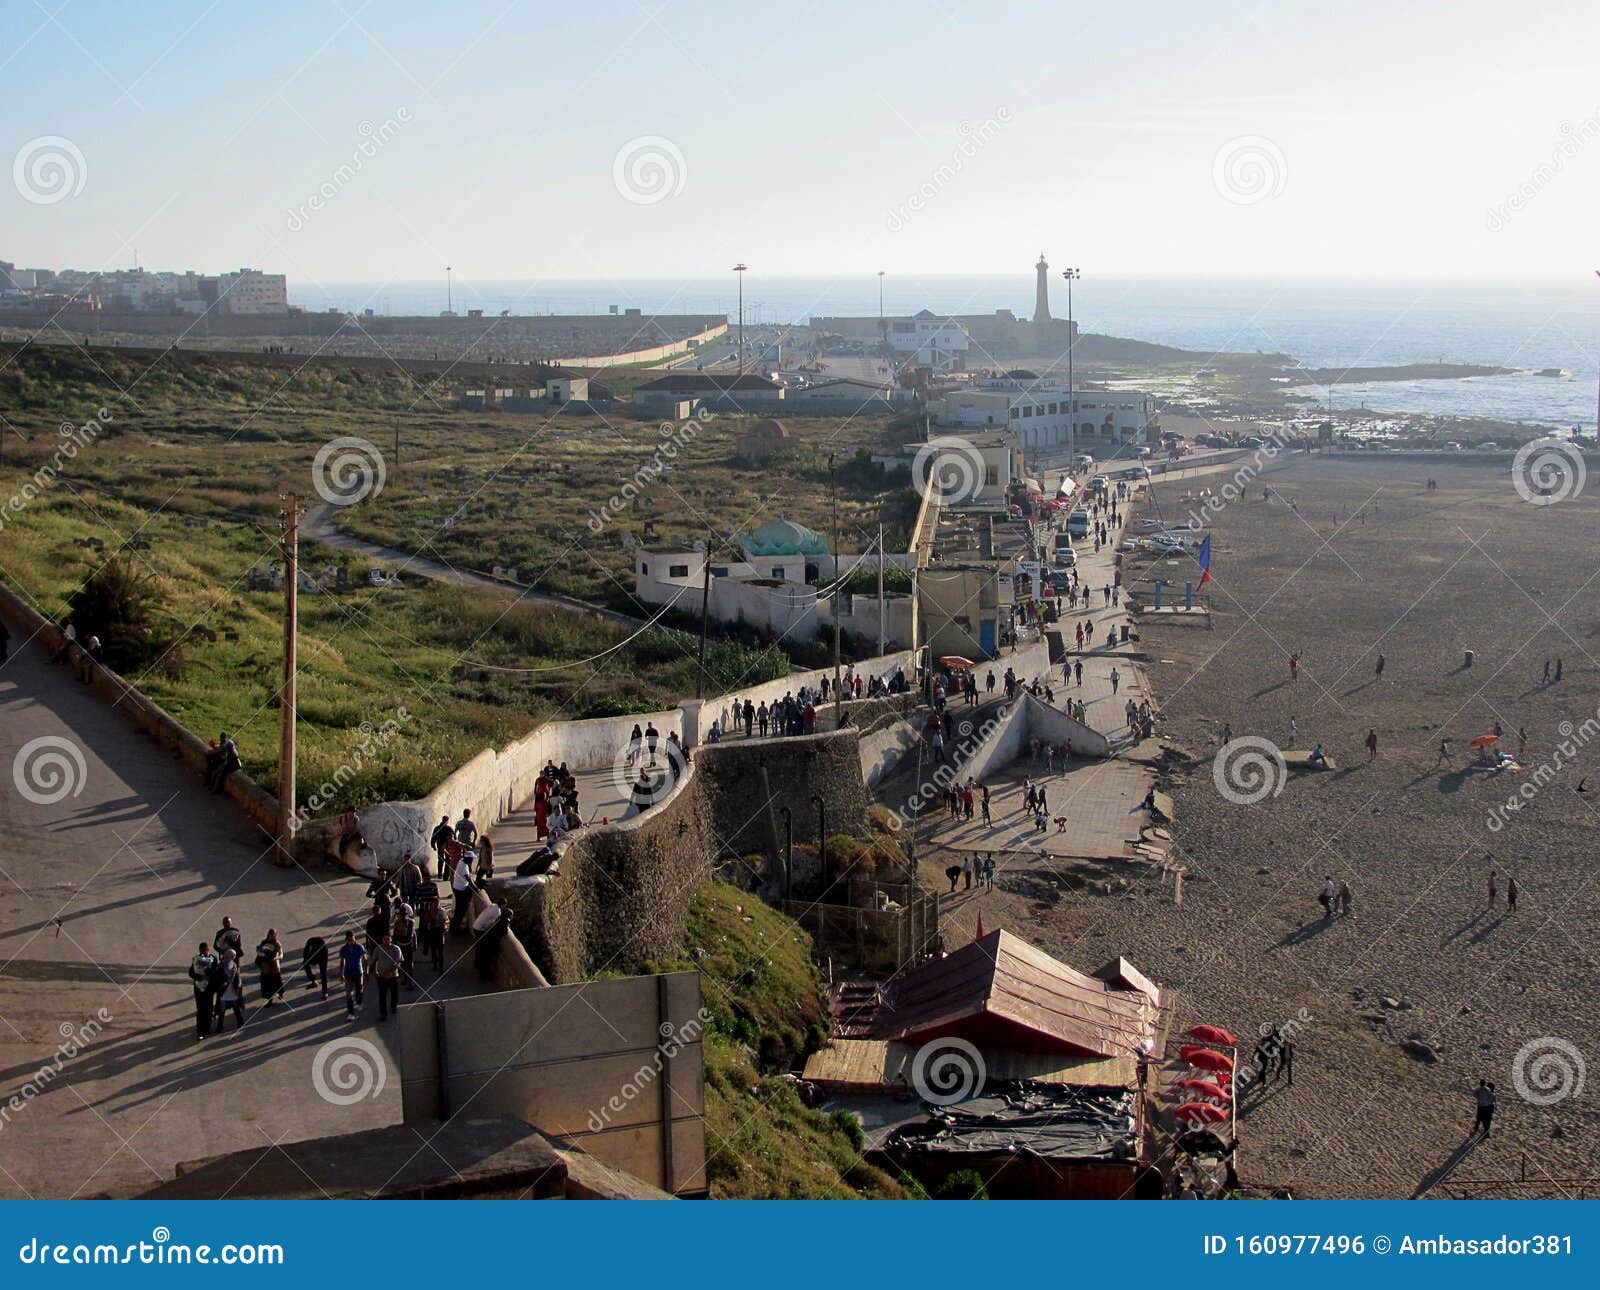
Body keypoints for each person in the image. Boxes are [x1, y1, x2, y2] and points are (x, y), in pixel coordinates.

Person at [370, 932, 403, 1021]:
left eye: (388, 939)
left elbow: (397, 962)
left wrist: (391, 972)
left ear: (391, 939)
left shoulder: (396, 949)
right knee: (382, 996)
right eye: (385, 939)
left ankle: (394, 1006)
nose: (386, 941)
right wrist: (375, 972)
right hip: (381, 976)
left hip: (393, 976)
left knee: (394, 993)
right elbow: (374, 961)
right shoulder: (378, 949)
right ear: (382, 940)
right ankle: (383, 1013)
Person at [189, 942, 218, 1040]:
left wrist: (205, 968)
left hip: (209, 988)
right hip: (198, 988)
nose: (203, 952)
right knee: (201, 1009)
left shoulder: (213, 959)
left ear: (207, 949)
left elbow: (214, 972)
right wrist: (200, 977)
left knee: (209, 1008)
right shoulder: (196, 959)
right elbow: (191, 972)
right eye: (201, 951)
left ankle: (207, 1027)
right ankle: (200, 1032)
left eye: (205, 950)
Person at [215, 949, 245, 1030]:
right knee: (222, 1009)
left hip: (232, 989)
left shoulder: (233, 964)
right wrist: (222, 984)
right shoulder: (221, 966)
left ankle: (240, 1022)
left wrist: (238, 985)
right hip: (224, 990)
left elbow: (237, 977)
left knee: (235, 1007)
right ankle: (219, 1026)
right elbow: (218, 977)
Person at [340, 930, 367, 1018]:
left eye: (353, 939)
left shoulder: (359, 947)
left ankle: (359, 1001)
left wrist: (366, 971)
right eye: (350, 940)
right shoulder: (344, 949)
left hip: (358, 972)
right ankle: (351, 1013)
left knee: (359, 989)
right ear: (346, 940)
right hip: (348, 973)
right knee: (349, 993)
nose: (352, 942)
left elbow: (364, 959)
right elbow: (342, 961)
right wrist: (341, 974)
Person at [254, 929, 285, 1005]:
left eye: (274, 935)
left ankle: (280, 993)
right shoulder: (264, 942)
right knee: (266, 982)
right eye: (271, 934)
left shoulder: (277, 943)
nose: (272, 936)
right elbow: (259, 952)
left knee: (276, 981)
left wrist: (276, 958)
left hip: (273, 963)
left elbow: (281, 955)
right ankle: (269, 999)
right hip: (265, 963)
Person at [451, 851, 474, 933]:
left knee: (459, 910)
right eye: (471, 859)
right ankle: (455, 929)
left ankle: (454, 928)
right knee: (461, 910)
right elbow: (468, 879)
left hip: (458, 887)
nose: (472, 861)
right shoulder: (464, 866)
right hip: (460, 890)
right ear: (469, 859)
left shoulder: (461, 861)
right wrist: (475, 888)